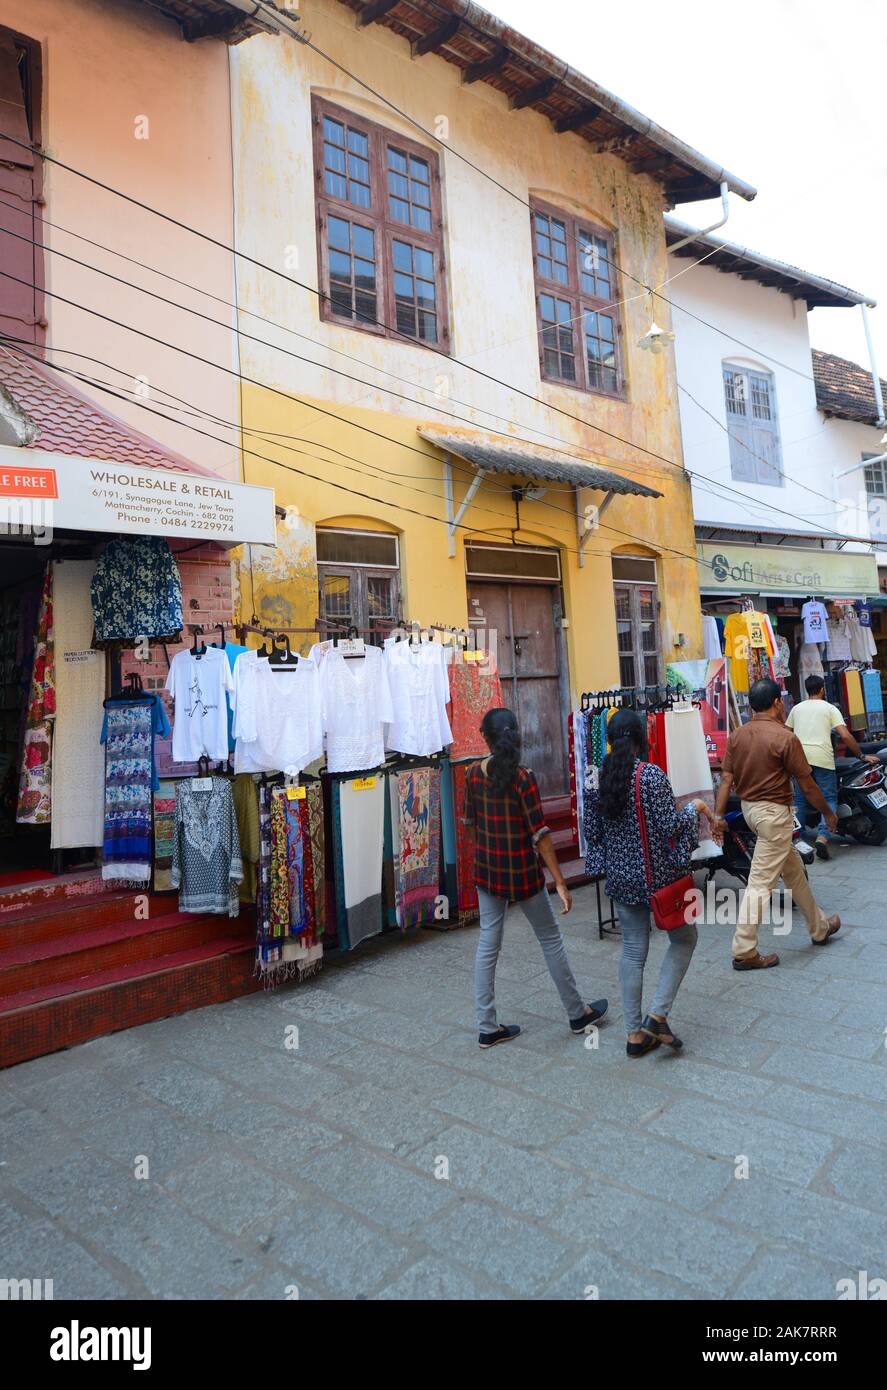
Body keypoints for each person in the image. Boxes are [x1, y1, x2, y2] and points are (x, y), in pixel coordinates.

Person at [465, 708, 608, 1049]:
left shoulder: (472, 774)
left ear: (485, 737)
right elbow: (540, 836)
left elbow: (470, 826)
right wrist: (559, 880)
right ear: (515, 736)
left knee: (488, 943)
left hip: (488, 871)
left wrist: (486, 850)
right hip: (522, 873)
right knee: (550, 939)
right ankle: (577, 1013)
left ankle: (487, 1025)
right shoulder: (523, 777)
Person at [584, 708, 714, 1058]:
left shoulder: (594, 780)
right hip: (659, 878)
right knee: (685, 939)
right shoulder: (650, 776)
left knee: (632, 950)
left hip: (622, 880)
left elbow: (593, 834)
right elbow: (671, 828)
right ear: (642, 739)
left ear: (609, 741)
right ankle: (657, 1015)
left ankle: (633, 1034)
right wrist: (695, 808)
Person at [714, 678, 841, 970]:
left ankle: (819, 927)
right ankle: (744, 950)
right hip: (774, 816)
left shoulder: (737, 736)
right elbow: (807, 786)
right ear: (776, 703)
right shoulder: (785, 737)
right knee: (760, 883)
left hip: (751, 812)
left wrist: (719, 817)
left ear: (749, 706)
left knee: (794, 870)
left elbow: (726, 781)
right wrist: (829, 814)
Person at [786, 673, 880, 859]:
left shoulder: (796, 709)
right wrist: (861, 755)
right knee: (829, 797)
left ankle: (800, 840)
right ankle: (823, 835)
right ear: (822, 689)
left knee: (801, 801)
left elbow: (786, 734)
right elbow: (844, 735)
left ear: (807, 690)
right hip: (823, 759)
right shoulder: (829, 708)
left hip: (800, 760)